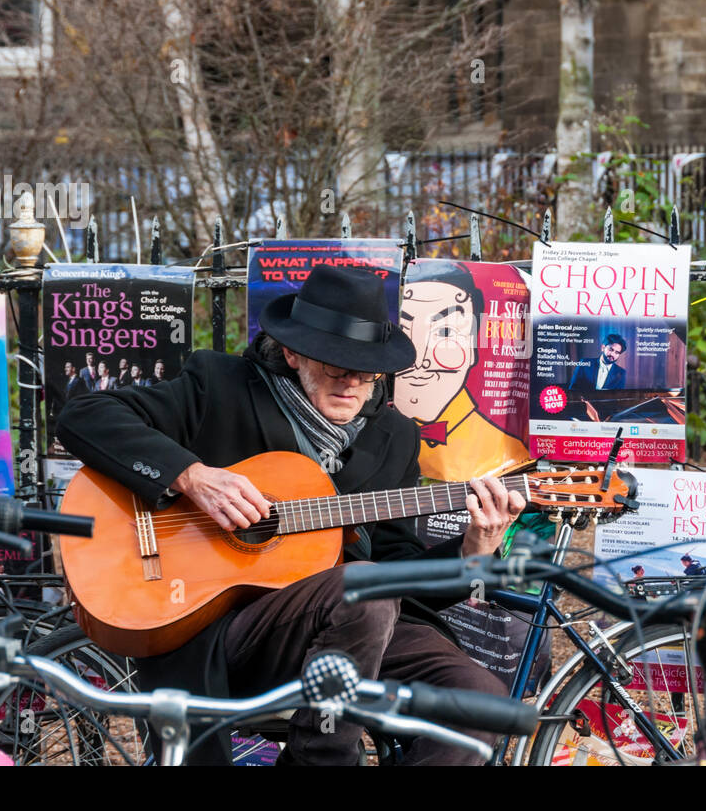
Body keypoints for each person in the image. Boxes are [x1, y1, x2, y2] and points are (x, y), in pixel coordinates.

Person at [56, 266, 525, 766]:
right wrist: (192, 476)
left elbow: (399, 563)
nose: (352, 382)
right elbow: (83, 416)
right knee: (362, 588)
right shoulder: (221, 385)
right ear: (293, 352)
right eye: (335, 364)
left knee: (480, 701)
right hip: (226, 633)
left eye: (366, 369)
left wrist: (475, 551)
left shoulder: (393, 437)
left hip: (356, 633)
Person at [394, 261, 528, 479]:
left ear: (473, 349)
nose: (420, 361)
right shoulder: (364, 435)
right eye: (404, 330)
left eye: (446, 332)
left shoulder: (506, 452)